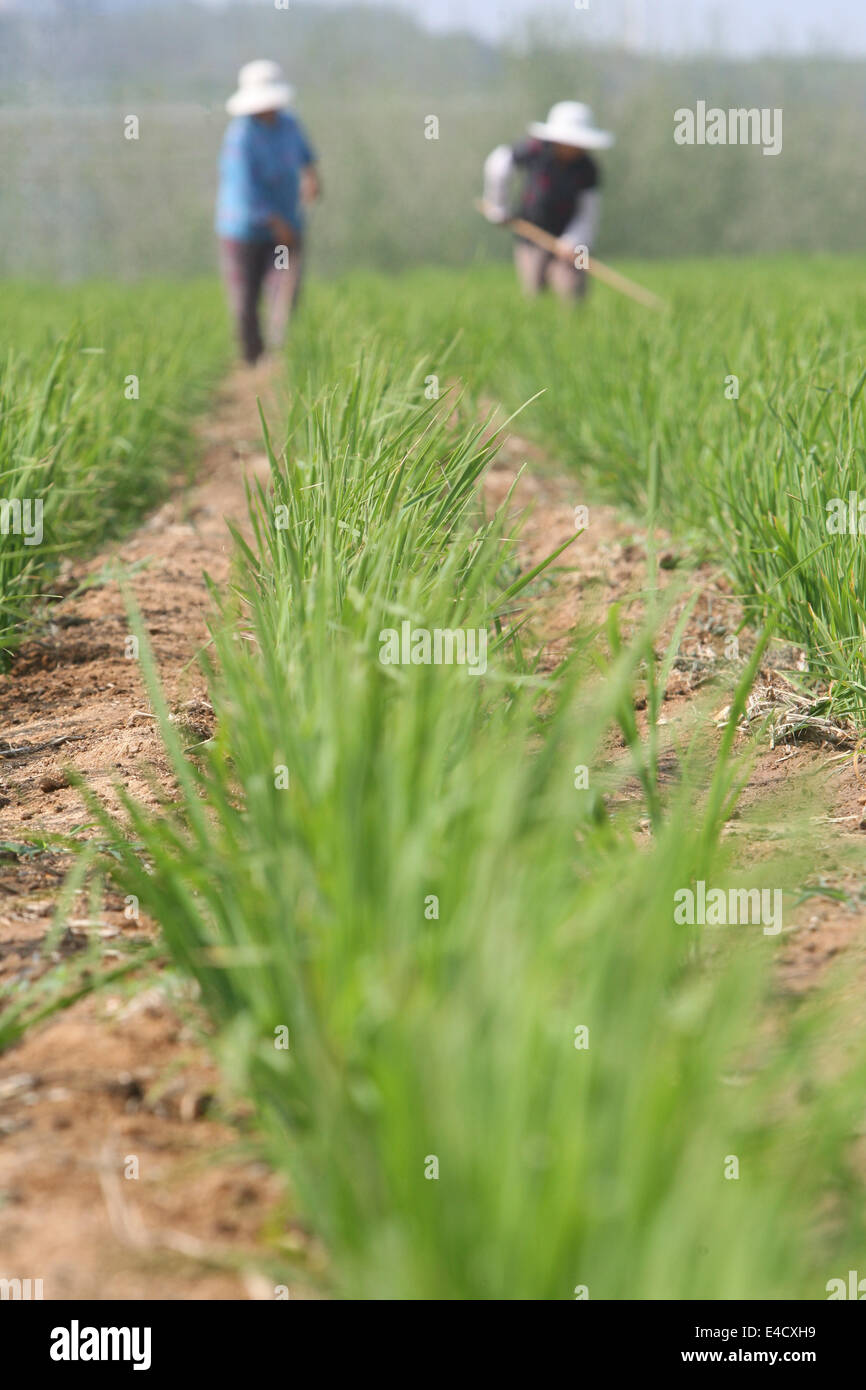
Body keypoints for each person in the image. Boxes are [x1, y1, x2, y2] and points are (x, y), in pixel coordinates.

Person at [216, 60, 320, 364]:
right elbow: (245, 188)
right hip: (244, 230)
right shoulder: (241, 137)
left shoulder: (289, 124)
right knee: (245, 298)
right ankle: (251, 358)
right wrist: (279, 224)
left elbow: (305, 155)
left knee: (285, 288)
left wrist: (312, 178)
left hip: (285, 225)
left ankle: (278, 353)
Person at [483, 102, 614, 301]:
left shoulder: (587, 168)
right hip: (532, 232)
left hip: (573, 238)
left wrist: (574, 241)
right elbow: (498, 164)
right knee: (535, 291)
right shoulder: (534, 150)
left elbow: (588, 213)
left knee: (573, 291)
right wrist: (499, 206)